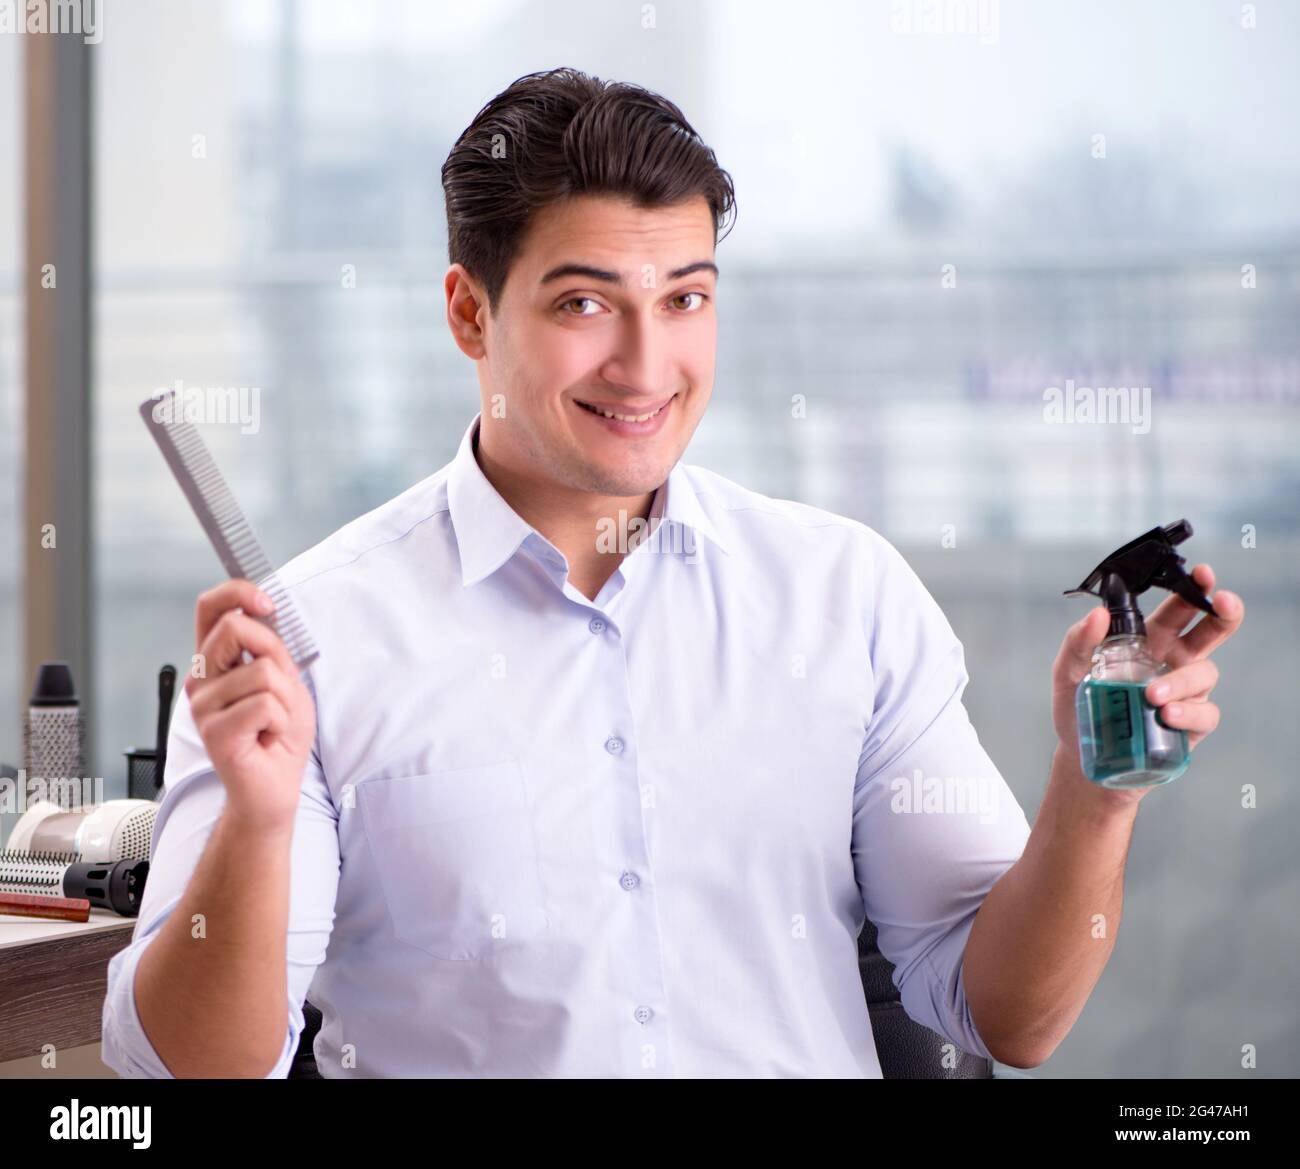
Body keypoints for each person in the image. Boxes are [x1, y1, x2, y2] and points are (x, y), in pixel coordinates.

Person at [101, 66, 1244, 1078]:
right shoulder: (311, 639)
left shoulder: (843, 594)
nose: (646, 365)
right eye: (584, 302)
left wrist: (1093, 798)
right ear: (468, 310)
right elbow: (192, 1066)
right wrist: (255, 828)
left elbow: (1009, 1019)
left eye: (685, 299)